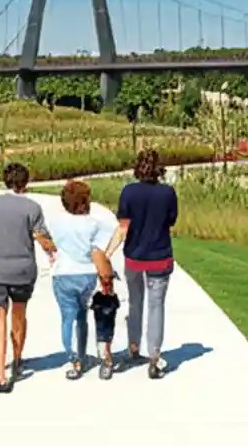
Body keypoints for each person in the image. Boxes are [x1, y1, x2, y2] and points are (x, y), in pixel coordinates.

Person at [0, 162, 56, 393]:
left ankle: (0, 374)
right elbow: (41, 238)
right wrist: (53, 250)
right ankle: (17, 359)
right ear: (26, 182)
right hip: (23, 270)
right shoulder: (32, 208)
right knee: (19, 315)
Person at [105, 148, 177, 380]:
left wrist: (107, 254)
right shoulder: (168, 193)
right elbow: (171, 221)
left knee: (136, 303)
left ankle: (134, 348)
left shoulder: (129, 192)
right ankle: (154, 358)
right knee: (156, 307)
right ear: (159, 169)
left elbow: (123, 228)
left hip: (134, 257)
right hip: (160, 256)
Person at [45, 180, 116, 380]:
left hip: (63, 273)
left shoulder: (56, 222)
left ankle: (74, 359)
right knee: (82, 316)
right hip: (87, 274)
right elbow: (99, 252)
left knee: (68, 317)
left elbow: (45, 238)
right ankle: (83, 353)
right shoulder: (95, 225)